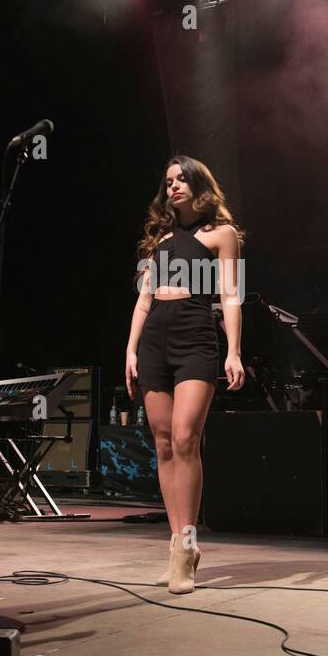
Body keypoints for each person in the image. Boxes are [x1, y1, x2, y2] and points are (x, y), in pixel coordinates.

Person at [125, 155, 244, 594]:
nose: (173, 186)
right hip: (156, 338)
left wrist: (234, 351)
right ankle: (179, 548)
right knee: (162, 445)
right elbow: (143, 300)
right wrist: (131, 350)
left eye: (181, 180)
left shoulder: (222, 235)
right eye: (168, 180)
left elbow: (231, 295)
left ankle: (188, 545)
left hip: (196, 338)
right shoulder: (161, 240)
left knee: (185, 438)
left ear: (199, 186)